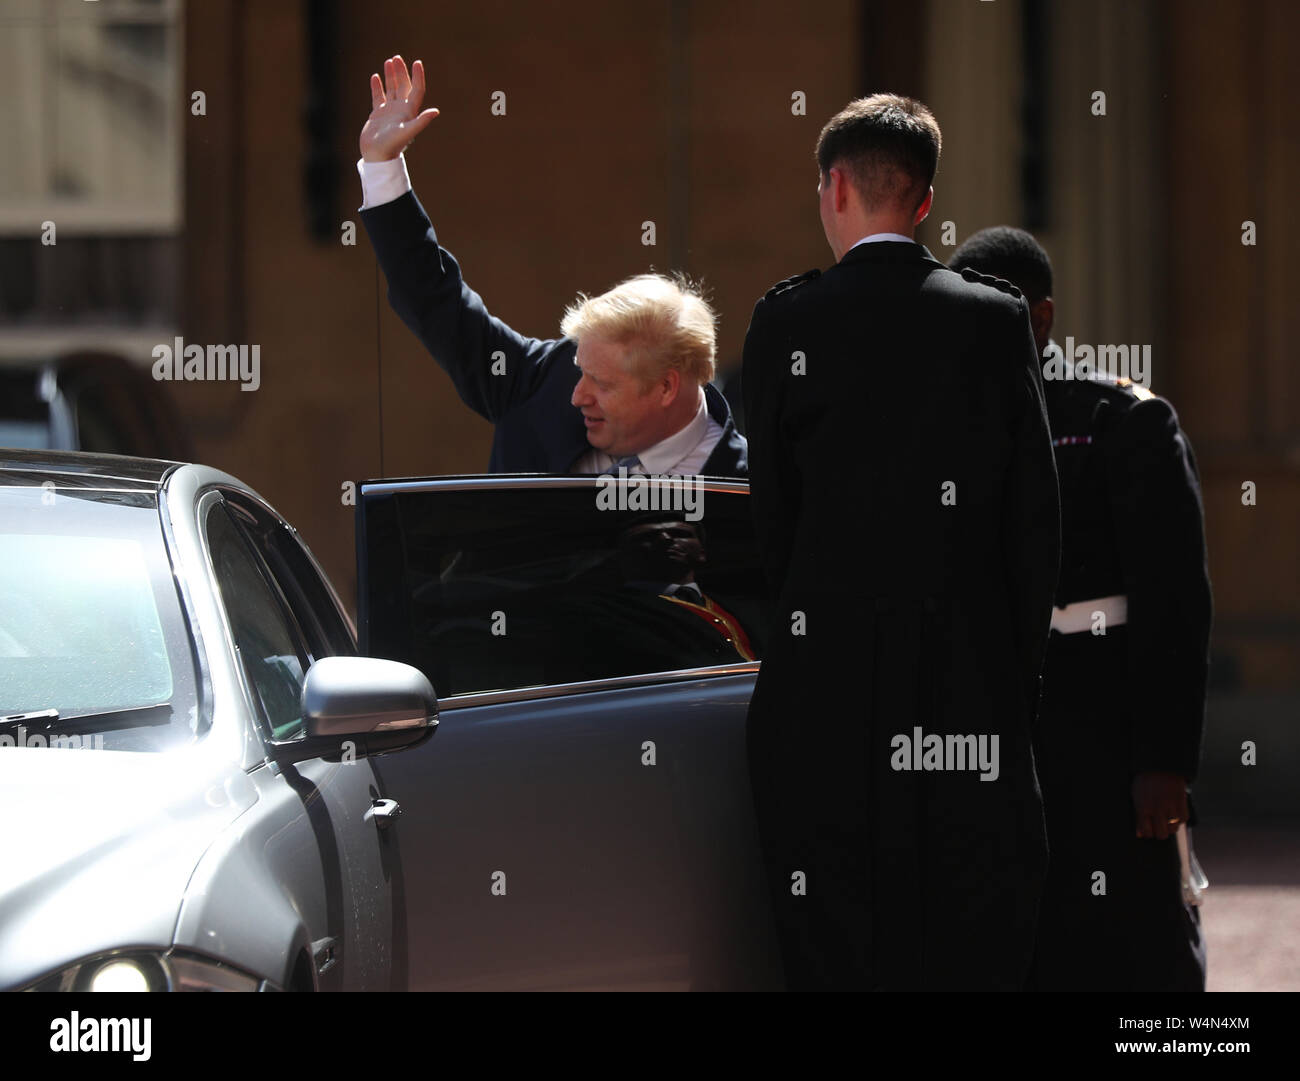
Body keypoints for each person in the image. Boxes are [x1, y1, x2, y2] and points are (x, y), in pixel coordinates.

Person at [742, 94, 1061, 989]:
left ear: (833, 187)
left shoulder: (787, 321)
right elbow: (1034, 522)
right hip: (969, 688)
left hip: (825, 689)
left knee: (834, 937)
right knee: (970, 936)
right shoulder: (996, 321)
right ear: (923, 203)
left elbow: (775, 517)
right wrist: (1010, 674)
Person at [950, 226, 1212, 991]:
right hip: (998, 735)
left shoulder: (1122, 419)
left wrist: (1164, 762)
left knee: (1139, 941)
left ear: (1040, 319)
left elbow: (1174, 601)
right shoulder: (957, 433)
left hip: (1105, 728)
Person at [356, 56, 746, 477]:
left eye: (603, 384)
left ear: (668, 387)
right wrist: (382, 165)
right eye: (583, 372)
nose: (578, 396)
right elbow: (433, 299)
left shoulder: (744, 488)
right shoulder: (542, 382)